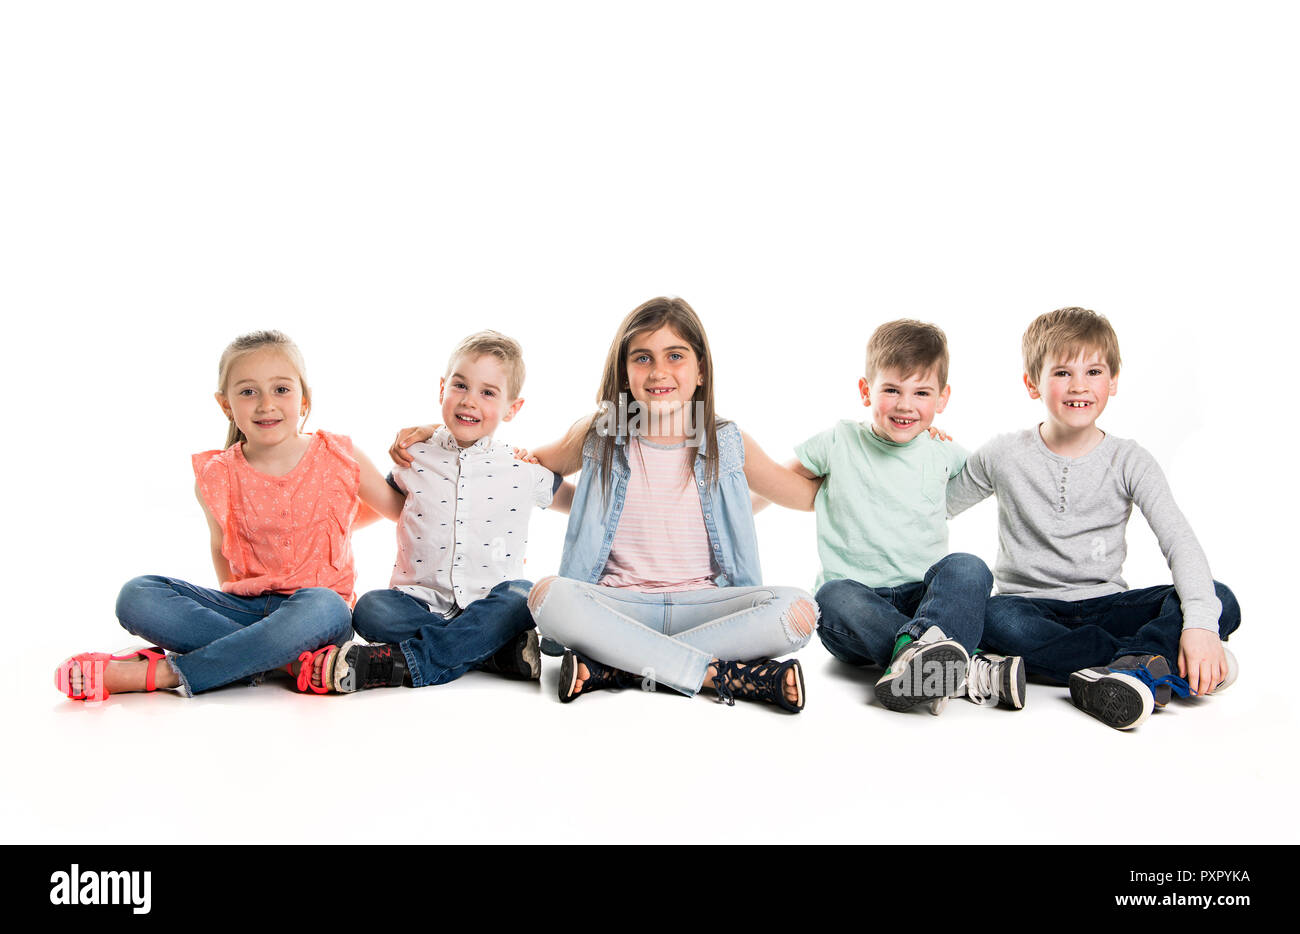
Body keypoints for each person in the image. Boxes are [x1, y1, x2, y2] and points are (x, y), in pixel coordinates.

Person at [55, 330, 402, 701]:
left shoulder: (338, 456)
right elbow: (221, 549)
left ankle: (160, 673)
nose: (266, 404)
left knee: (325, 605)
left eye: (281, 390)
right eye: (248, 392)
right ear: (225, 405)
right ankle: (284, 661)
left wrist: (431, 443)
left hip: (315, 615)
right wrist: (245, 624)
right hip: (244, 609)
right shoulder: (218, 475)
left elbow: (396, 508)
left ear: (304, 399)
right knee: (136, 595)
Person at [518, 297, 819, 712]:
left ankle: (617, 668)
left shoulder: (726, 442)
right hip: (617, 604)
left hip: (705, 607)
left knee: (798, 611)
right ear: (625, 374)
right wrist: (439, 434)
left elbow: (804, 496)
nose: (659, 371)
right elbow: (529, 474)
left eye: (675, 356)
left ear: (699, 371)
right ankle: (720, 674)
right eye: (643, 358)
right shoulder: (601, 433)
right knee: (547, 597)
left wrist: (840, 447)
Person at [946, 307, 1241, 729]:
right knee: (993, 619)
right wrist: (923, 450)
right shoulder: (1003, 454)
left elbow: (1179, 541)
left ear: (1114, 381)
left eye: (1094, 372)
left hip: (1108, 603)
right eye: (1062, 373)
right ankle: (1150, 663)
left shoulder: (1129, 459)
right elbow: (935, 507)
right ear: (1033, 383)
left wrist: (1199, 627)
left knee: (1217, 597)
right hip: (1028, 609)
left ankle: (1136, 666)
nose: (1079, 386)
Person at [782, 319, 1024, 714]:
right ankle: (962, 669)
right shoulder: (840, 440)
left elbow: (990, 484)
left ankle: (918, 657)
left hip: (923, 599)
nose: (905, 404)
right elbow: (778, 480)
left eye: (921, 393)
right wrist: (727, 510)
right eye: (891, 389)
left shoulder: (943, 451)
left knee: (969, 567)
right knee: (832, 595)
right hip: (857, 605)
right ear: (866, 391)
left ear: (942, 400)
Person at [342, 331, 567, 692]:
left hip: (490, 602)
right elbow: (381, 503)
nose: (469, 401)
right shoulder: (413, 456)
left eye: (488, 392)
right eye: (460, 386)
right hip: (419, 603)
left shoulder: (520, 467)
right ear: (442, 389)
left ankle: (407, 663)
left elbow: (578, 502)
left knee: (522, 596)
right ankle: (491, 651)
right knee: (370, 610)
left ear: (513, 408)